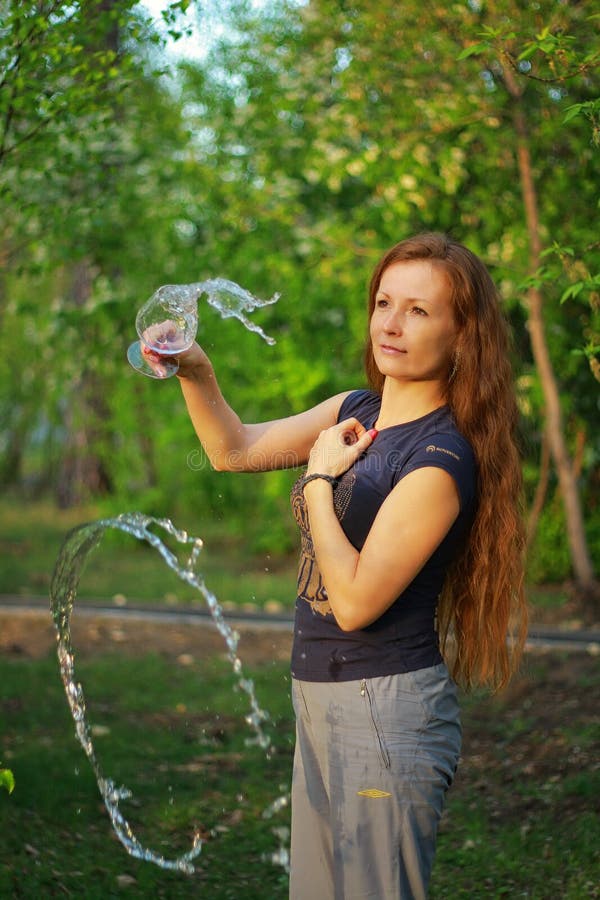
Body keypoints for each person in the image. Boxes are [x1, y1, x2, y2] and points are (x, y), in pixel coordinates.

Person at [143, 232, 527, 899]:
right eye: (385, 302)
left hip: (386, 709)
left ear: (463, 337)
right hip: (317, 699)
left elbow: (353, 605)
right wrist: (196, 370)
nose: (392, 323)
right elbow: (233, 450)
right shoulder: (357, 409)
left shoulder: (441, 460)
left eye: (419, 311)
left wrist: (320, 479)